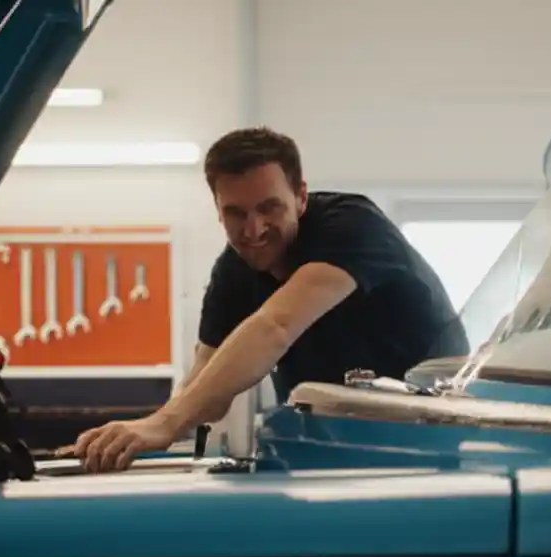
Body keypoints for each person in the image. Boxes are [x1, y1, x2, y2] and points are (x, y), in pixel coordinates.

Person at [74, 127, 468, 472]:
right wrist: (142, 434)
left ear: (300, 197)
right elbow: (205, 390)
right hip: (327, 449)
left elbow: (276, 325)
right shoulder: (233, 272)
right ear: (217, 211)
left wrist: (164, 423)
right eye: (236, 213)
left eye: (269, 208)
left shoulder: (352, 227)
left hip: (433, 444)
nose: (254, 229)